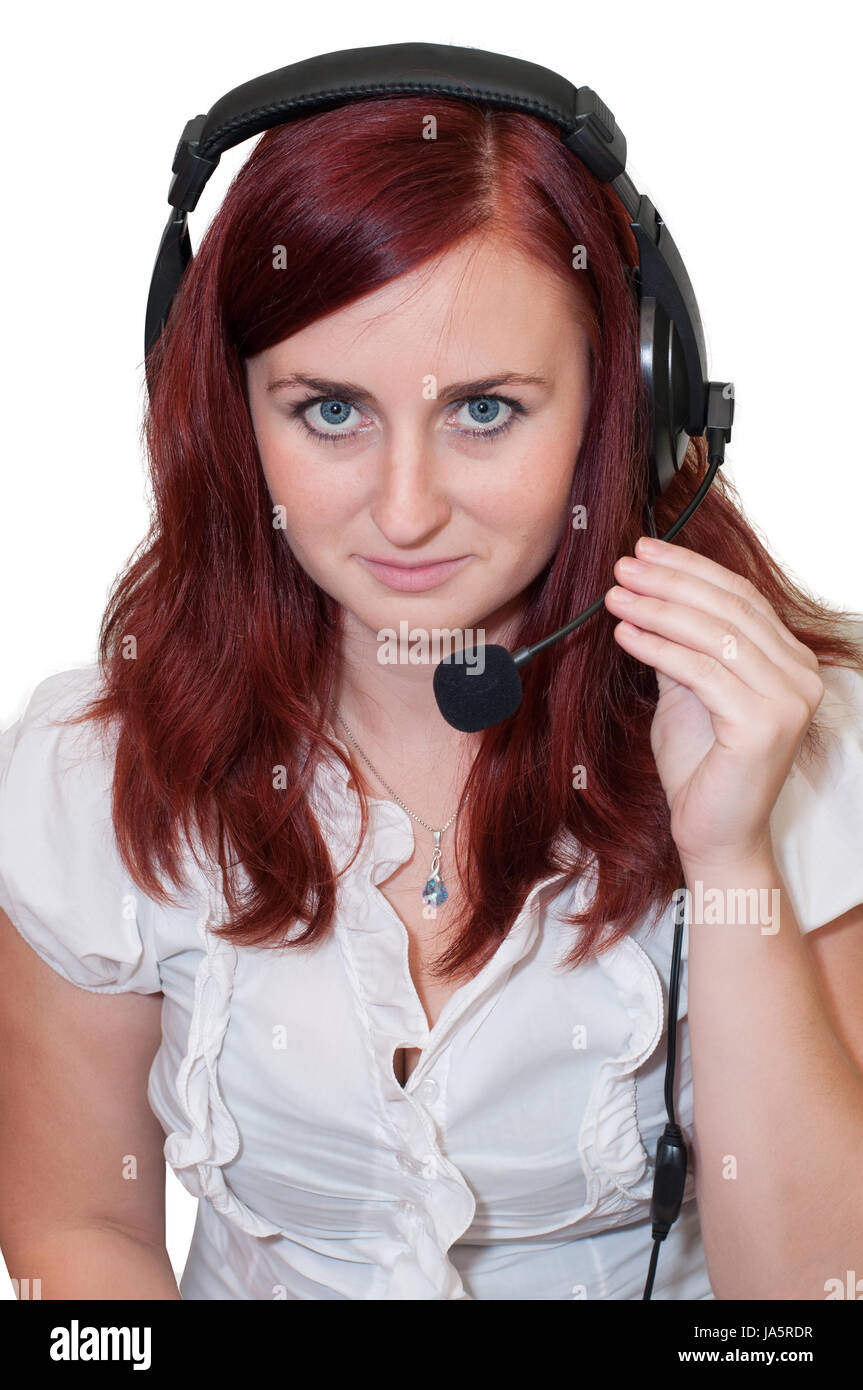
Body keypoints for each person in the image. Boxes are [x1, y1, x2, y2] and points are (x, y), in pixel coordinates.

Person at [1, 93, 862, 1303]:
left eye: (483, 409)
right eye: (331, 410)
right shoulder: (90, 767)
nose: (405, 511)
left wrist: (727, 849)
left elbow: (810, 1304)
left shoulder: (794, 746)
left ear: (629, 403)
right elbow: (81, 1236)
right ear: (228, 415)